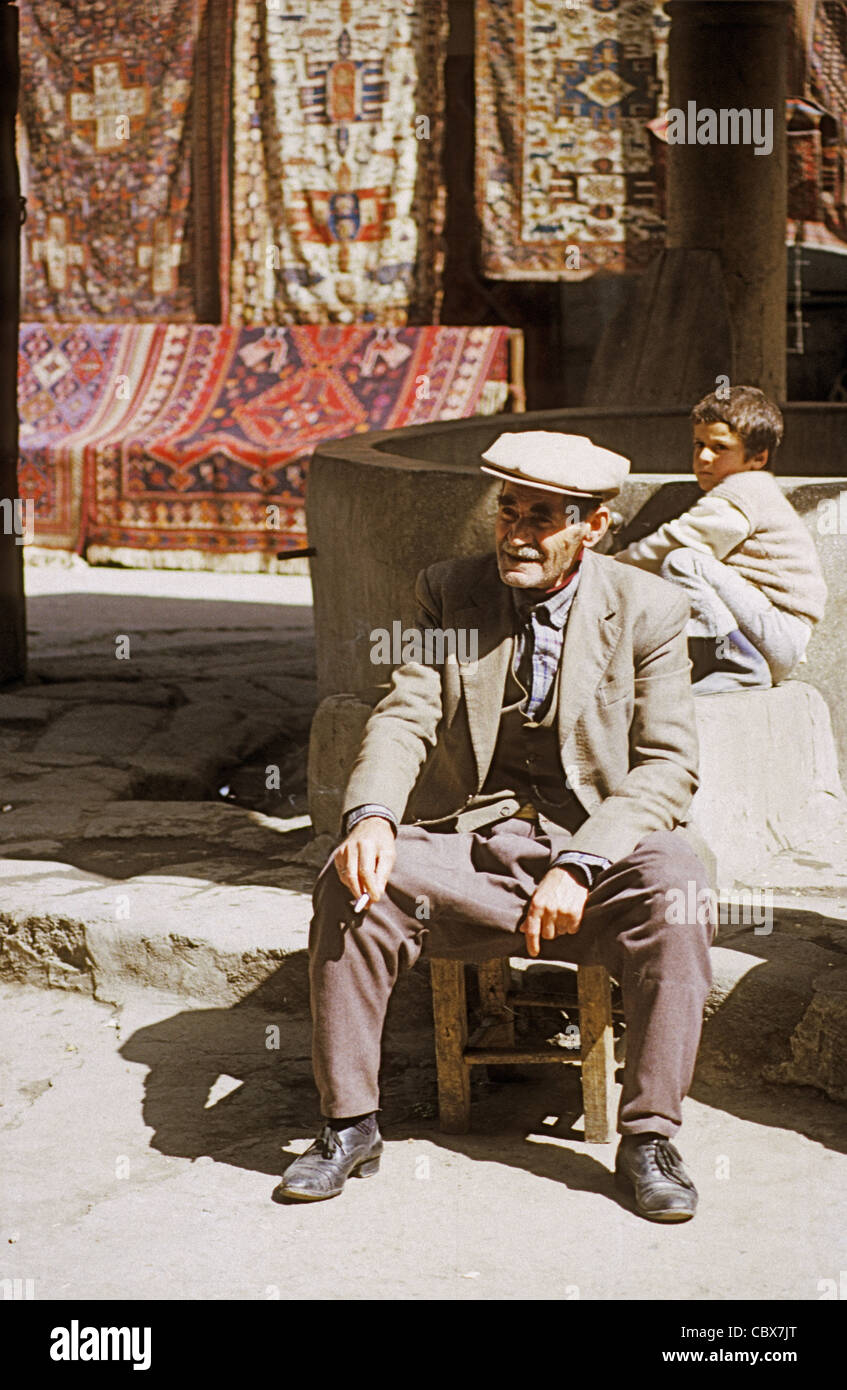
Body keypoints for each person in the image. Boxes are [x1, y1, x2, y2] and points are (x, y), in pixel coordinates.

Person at [278, 431, 714, 1222]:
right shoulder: (448, 590)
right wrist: (371, 816)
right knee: (353, 879)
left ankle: (649, 1137)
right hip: (471, 844)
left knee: (677, 885)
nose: (515, 534)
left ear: (592, 526)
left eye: (540, 518)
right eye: (506, 511)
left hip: (596, 849)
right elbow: (406, 713)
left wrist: (580, 862)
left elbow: (665, 769)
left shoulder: (649, 608)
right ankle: (348, 1124)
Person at [615, 386, 827, 694]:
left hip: (778, 633)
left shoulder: (744, 491)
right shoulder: (751, 489)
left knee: (682, 561)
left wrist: (609, 567)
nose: (703, 457)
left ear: (758, 458)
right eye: (698, 444)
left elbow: (675, 541)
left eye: (719, 448)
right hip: (768, 633)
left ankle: (737, 666)